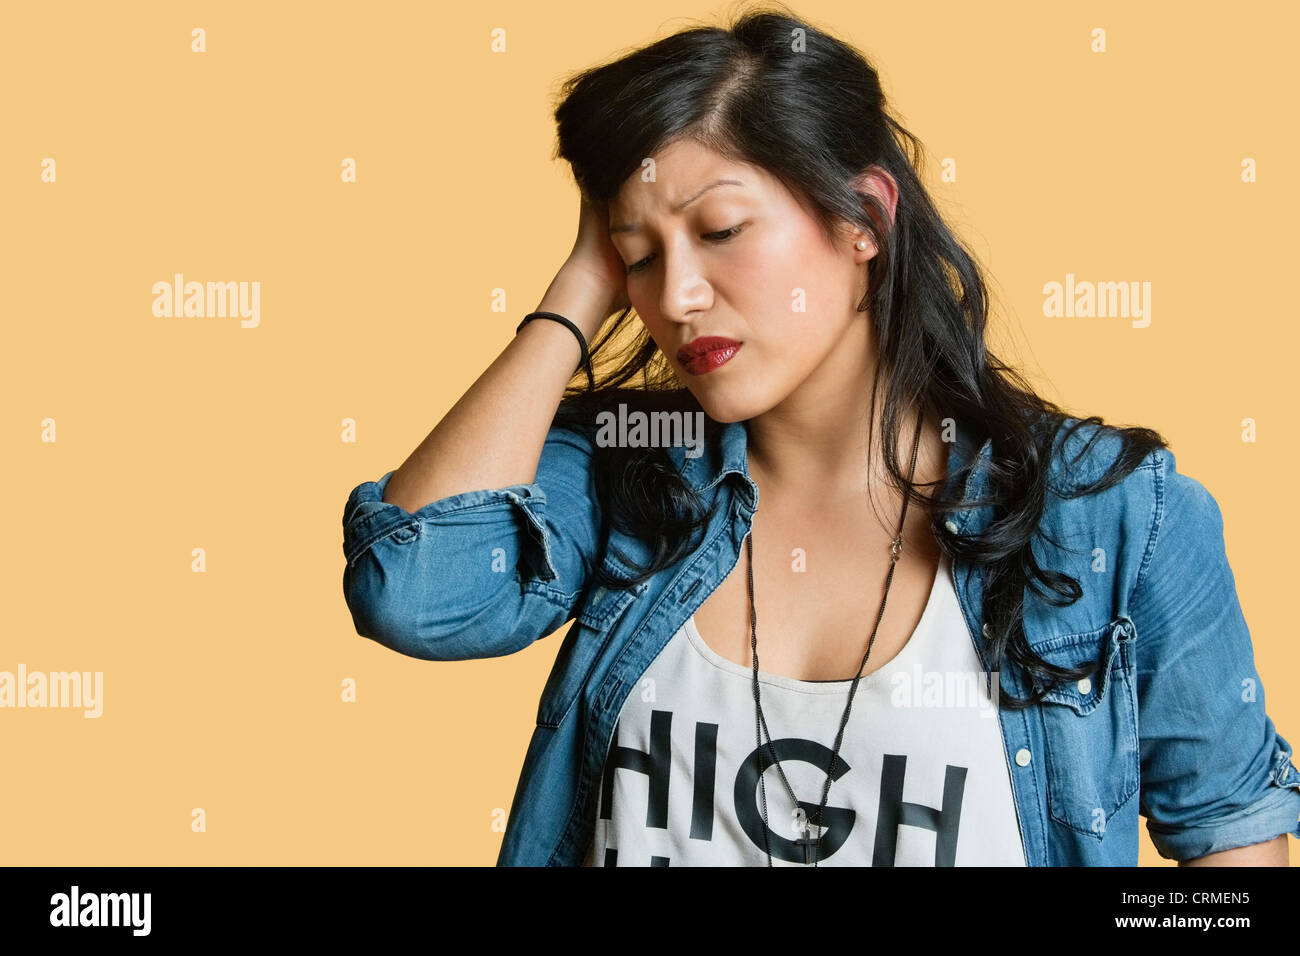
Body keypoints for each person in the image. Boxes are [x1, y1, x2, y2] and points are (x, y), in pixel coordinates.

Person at [341, 4, 1300, 866]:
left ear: (863, 221)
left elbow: (1234, 856)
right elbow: (410, 590)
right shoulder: (627, 476)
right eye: (637, 258)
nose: (673, 300)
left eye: (719, 231)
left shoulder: (1112, 515)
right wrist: (575, 294)